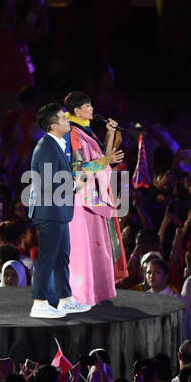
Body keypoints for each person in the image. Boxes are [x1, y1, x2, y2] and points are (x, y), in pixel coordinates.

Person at [64, 92, 126, 306]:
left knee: (100, 247)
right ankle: (83, 295)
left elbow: (102, 162)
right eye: (87, 106)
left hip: (96, 196)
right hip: (83, 201)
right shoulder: (73, 133)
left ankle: (98, 294)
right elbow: (79, 170)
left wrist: (109, 135)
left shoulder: (85, 131)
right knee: (87, 249)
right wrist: (107, 159)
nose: (92, 109)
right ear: (76, 110)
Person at [26, 104, 88, 319]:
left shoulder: (57, 144)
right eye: (63, 117)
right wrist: (74, 185)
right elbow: (48, 181)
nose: (68, 119)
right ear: (53, 126)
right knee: (48, 257)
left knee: (62, 256)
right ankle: (39, 302)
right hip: (48, 211)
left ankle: (65, 299)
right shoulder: (46, 147)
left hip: (57, 211)